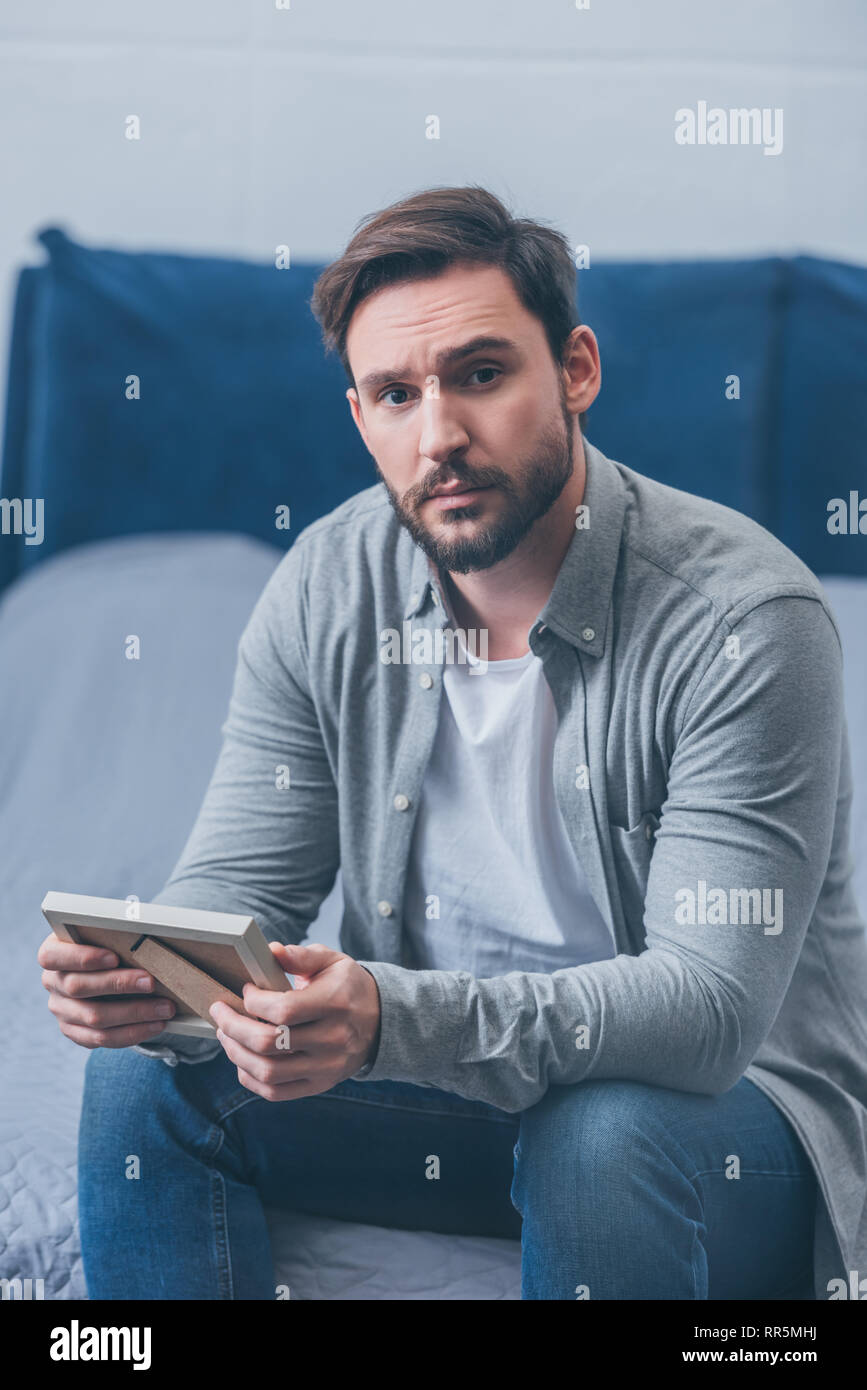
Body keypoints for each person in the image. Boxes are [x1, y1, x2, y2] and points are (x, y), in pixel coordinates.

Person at [39, 185, 867, 1300]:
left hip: (704, 1128)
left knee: (599, 1131)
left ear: (575, 369)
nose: (441, 436)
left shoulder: (746, 620)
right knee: (141, 1086)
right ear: (360, 416)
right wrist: (159, 981)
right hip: (441, 1096)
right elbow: (240, 888)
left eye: (481, 373)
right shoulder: (328, 586)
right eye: (396, 393)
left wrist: (389, 1018)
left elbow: (707, 1011)